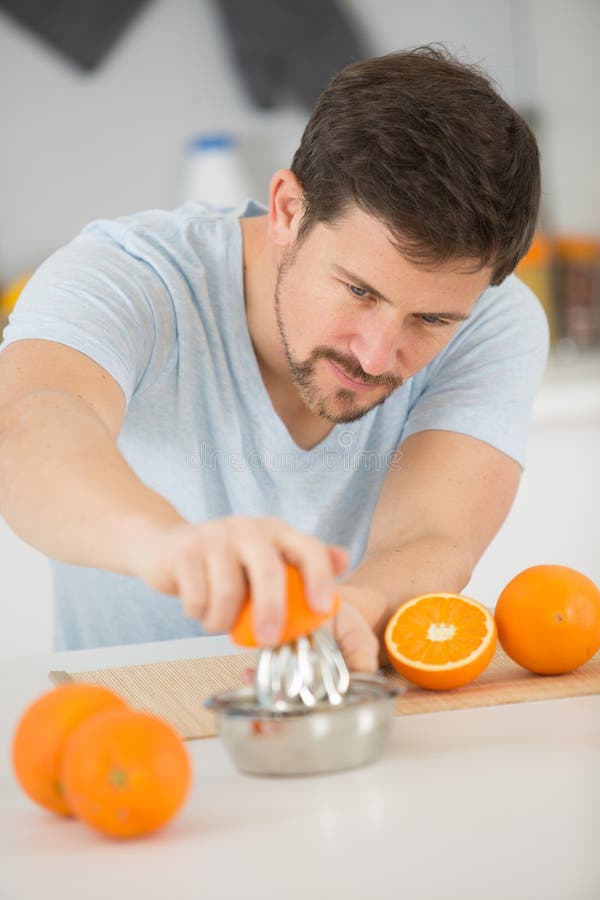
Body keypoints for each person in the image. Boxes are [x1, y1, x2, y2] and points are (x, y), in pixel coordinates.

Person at [0, 46, 548, 672]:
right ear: (288, 210)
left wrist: (353, 610)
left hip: (344, 697)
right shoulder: (129, 275)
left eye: (431, 320)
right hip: (117, 709)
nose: (375, 357)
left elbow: (435, 535)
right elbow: (28, 427)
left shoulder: (494, 319)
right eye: (359, 291)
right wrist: (169, 547)